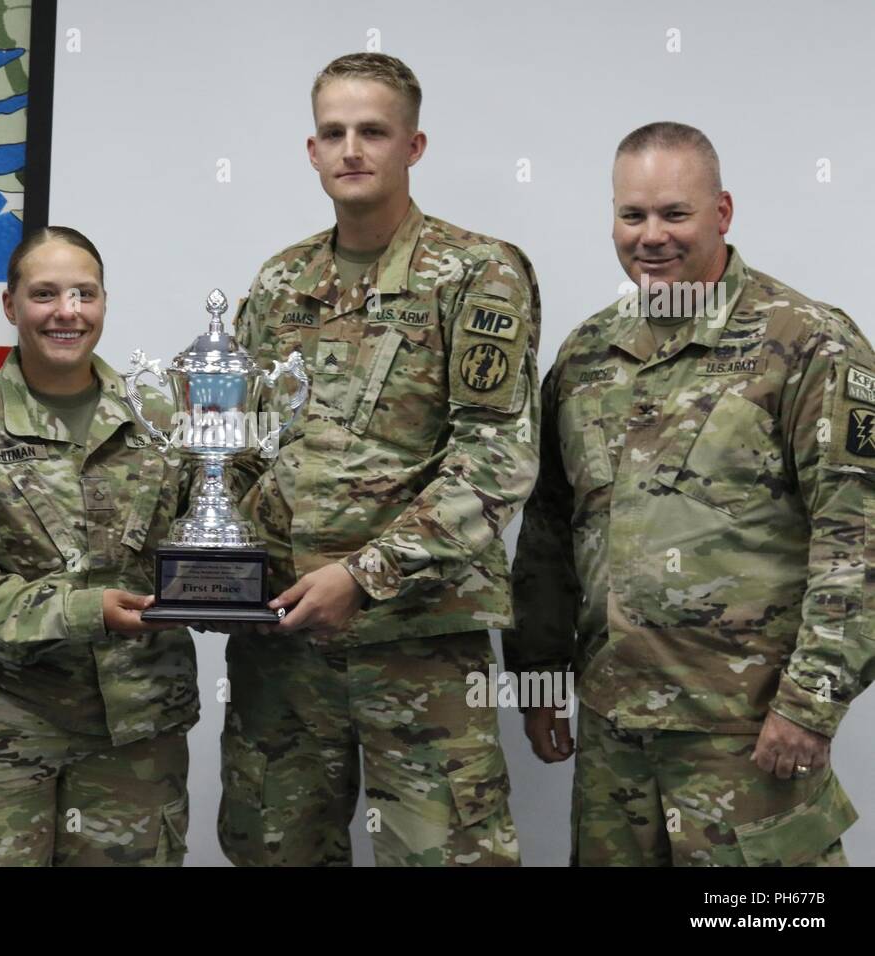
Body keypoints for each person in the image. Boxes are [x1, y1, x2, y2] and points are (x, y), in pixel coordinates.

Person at [508, 121, 873, 866]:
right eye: (632, 215)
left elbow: (859, 539)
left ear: (722, 213)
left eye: (674, 214)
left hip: (748, 739)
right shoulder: (586, 356)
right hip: (615, 743)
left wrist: (810, 706)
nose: (651, 237)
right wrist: (540, 674)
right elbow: (548, 532)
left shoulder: (807, 344)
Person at [216, 53, 540, 866]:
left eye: (373, 131)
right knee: (273, 851)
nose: (352, 148)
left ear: (414, 146)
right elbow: (245, 451)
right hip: (284, 644)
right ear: (313, 150)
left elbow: (493, 461)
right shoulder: (281, 280)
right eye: (335, 132)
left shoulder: (478, 273)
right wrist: (222, 569)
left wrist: (363, 576)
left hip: (417, 641)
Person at [0, 226, 199, 866]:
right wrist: (85, 611)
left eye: (84, 294)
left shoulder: (164, 418)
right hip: (0, 733)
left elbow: (213, 540)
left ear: (104, 303)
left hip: (137, 735)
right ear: (11, 306)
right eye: (45, 294)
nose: (67, 312)